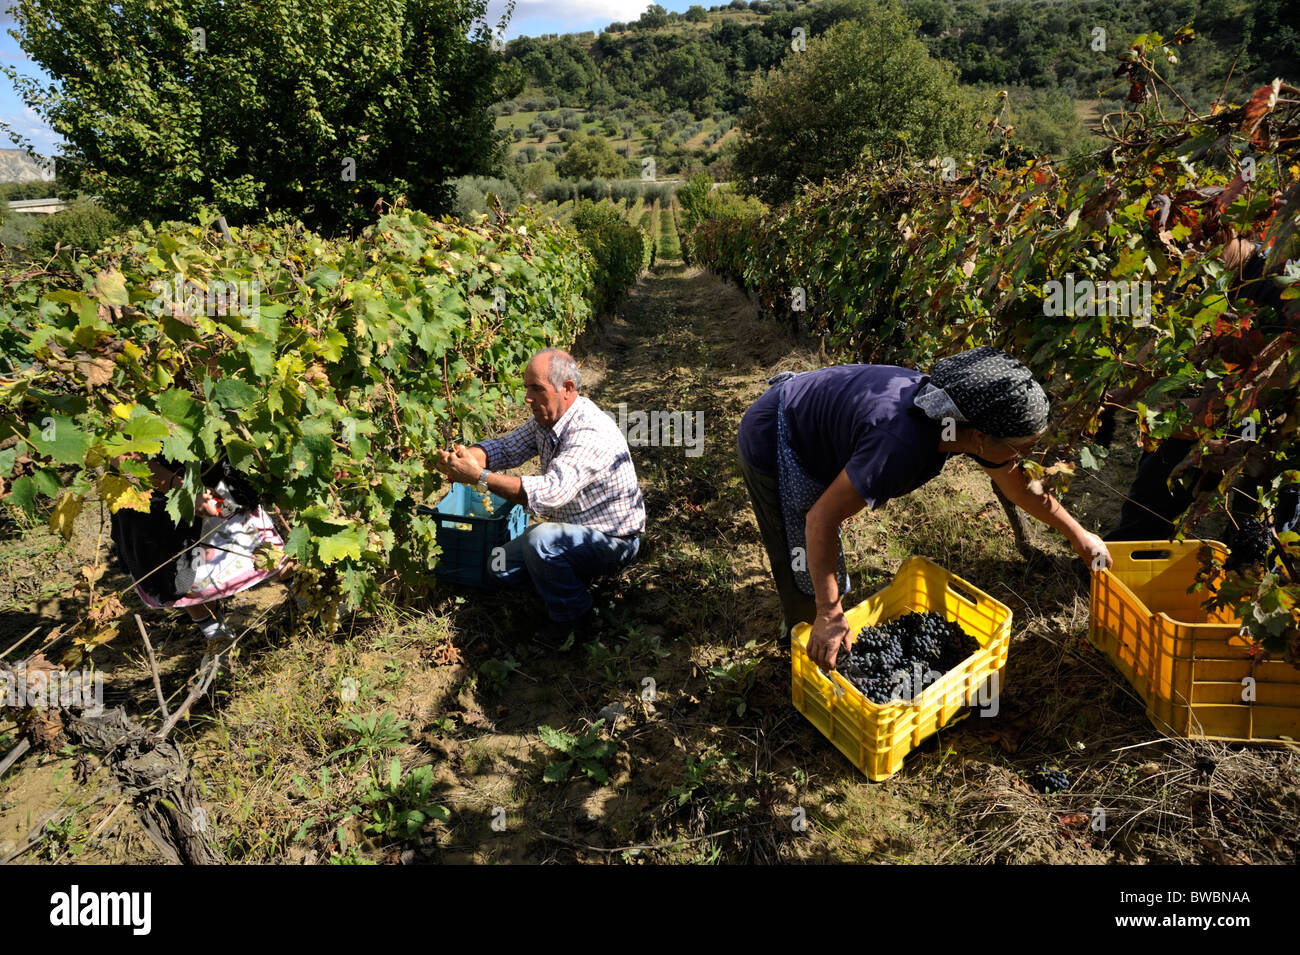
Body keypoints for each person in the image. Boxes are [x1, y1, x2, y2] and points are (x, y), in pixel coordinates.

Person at [737, 346, 1113, 671]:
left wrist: (1078, 534)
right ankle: (801, 656)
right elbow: (819, 519)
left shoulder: (955, 417)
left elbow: (1020, 487)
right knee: (801, 565)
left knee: (822, 564)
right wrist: (830, 614)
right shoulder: (900, 446)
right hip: (775, 436)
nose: (1023, 458)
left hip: (817, 428)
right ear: (981, 437)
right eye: (1021, 447)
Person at [434, 348, 645, 646]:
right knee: (498, 568)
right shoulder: (547, 420)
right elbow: (507, 448)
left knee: (540, 540)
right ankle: (565, 578)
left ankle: (575, 620)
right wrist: (468, 457)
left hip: (612, 541)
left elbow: (549, 494)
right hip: (572, 532)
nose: (527, 398)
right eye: (527, 389)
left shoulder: (589, 431)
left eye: (537, 389)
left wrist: (479, 477)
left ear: (567, 389)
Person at [109, 456, 294, 669]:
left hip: (204, 464)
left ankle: (306, 593)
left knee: (253, 537)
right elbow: (121, 455)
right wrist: (178, 488)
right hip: (146, 489)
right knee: (177, 566)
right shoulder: (114, 423)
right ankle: (218, 637)